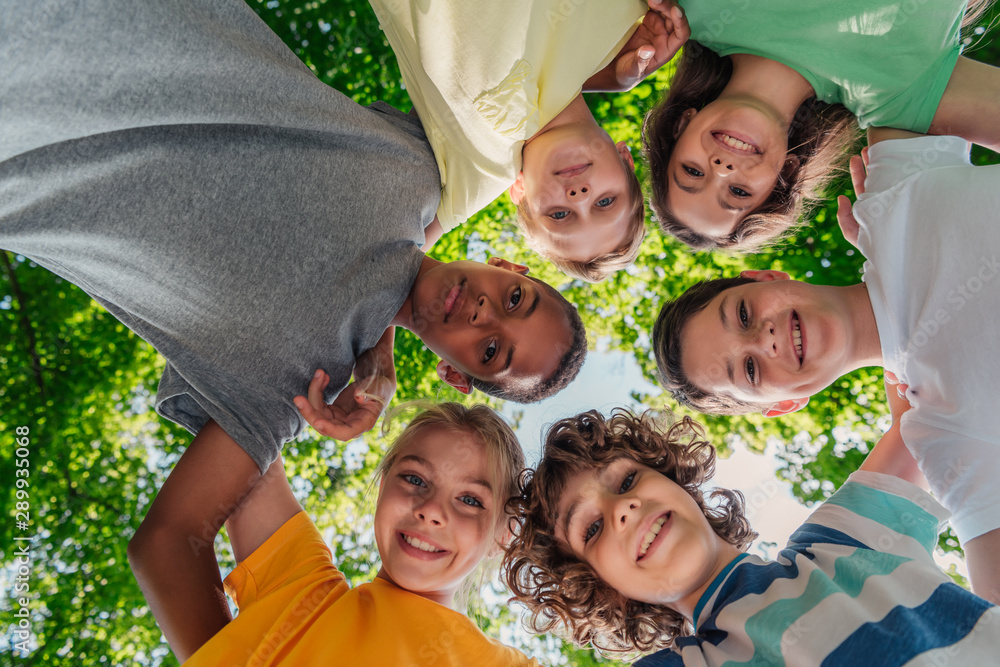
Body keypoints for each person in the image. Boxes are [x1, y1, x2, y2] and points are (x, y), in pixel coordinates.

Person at [0, 0, 587, 475]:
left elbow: (170, 543)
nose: (486, 313)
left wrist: (372, 364)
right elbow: (526, 60)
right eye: (514, 301)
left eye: (491, 351)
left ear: (456, 376)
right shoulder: (425, 170)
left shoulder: (305, 383)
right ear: (513, 267)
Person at [651, 128, 1000, 603]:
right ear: (787, 403)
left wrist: (892, 214)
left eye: (744, 315)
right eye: (750, 370)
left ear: (766, 275)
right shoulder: (944, 437)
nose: (765, 340)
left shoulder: (893, 198)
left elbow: (922, 76)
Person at [502, 407, 1000, 664]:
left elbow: (918, 415)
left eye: (628, 480)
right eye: (590, 528)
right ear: (599, 587)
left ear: (675, 481)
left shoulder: (837, 538)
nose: (623, 509)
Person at [129, 401, 542, 664]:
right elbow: (248, 406)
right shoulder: (300, 591)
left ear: (505, 535)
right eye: (414, 479)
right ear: (382, 488)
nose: (431, 510)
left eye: (470, 500)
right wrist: (368, 345)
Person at [369, 0, 689, 281]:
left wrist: (381, 346)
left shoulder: (484, 169)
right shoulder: (627, 33)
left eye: (559, 215)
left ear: (519, 191)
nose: (578, 196)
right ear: (626, 160)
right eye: (605, 202)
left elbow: (389, 269)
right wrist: (611, 75)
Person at [642, 0, 998, 251]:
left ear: (680, 126)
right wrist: (899, 257)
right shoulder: (897, 99)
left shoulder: (686, 11)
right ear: (787, 172)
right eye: (739, 193)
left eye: (692, 172)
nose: (721, 170)